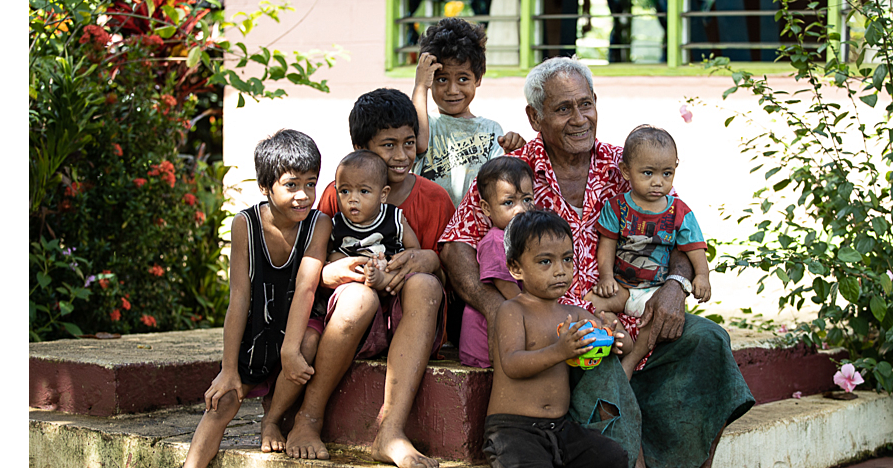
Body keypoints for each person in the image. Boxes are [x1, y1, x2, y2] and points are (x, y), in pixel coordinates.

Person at [439, 57, 754, 468]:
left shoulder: (627, 163)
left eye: (585, 104)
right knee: (601, 367)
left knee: (708, 340)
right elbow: (455, 245)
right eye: (563, 108)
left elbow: (679, 227)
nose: (579, 118)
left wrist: (676, 285)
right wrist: (504, 313)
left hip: (632, 318)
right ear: (534, 117)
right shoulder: (514, 173)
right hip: (560, 336)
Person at [286, 88, 453, 468]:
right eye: (388, 145)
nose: (401, 155)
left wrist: (420, 260)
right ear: (361, 147)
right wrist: (338, 270)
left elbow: (443, 267)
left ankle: (390, 431)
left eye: (409, 143)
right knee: (360, 298)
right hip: (354, 312)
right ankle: (309, 419)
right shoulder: (337, 194)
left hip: (409, 318)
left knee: (426, 284)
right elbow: (314, 263)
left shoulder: (434, 199)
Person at [183, 130, 331, 468]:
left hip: (294, 327)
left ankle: (272, 418)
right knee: (222, 401)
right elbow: (238, 297)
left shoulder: (318, 224)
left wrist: (290, 351)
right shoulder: (245, 225)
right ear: (265, 187)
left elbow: (307, 287)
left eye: (311, 184)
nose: (304, 196)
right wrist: (228, 369)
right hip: (257, 332)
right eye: (292, 185)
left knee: (307, 343)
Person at [483, 210, 629, 468]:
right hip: (514, 430)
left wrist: (613, 336)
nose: (560, 271)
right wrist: (560, 351)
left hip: (561, 429)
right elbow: (512, 364)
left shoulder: (573, 313)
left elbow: (623, 342)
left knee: (612, 456)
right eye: (545, 262)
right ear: (516, 267)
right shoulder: (513, 310)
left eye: (567, 259)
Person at [587, 125, 711, 379]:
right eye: (648, 173)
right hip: (622, 287)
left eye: (667, 173)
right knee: (590, 303)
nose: (658, 182)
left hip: (654, 290)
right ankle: (616, 330)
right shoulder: (618, 207)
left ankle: (630, 361)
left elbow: (694, 246)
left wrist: (702, 276)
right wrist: (607, 277)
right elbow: (607, 245)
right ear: (626, 171)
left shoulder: (678, 211)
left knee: (655, 321)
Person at [412, 17, 525, 207]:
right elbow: (416, 141)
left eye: (463, 79)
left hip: (473, 231)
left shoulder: (490, 130)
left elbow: (500, 183)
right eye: (442, 80)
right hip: (429, 228)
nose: (452, 90)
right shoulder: (426, 124)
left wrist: (514, 153)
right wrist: (420, 86)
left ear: (478, 78)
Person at [328, 149, 421, 291]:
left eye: (363, 191)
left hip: (387, 269)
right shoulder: (337, 222)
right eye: (344, 191)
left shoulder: (393, 217)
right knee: (335, 256)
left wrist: (392, 263)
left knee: (403, 266)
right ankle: (367, 279)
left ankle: (380, 279)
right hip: (356, 279)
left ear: (383, 194)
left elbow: (414, 249)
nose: (353, 199)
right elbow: (328, 255)